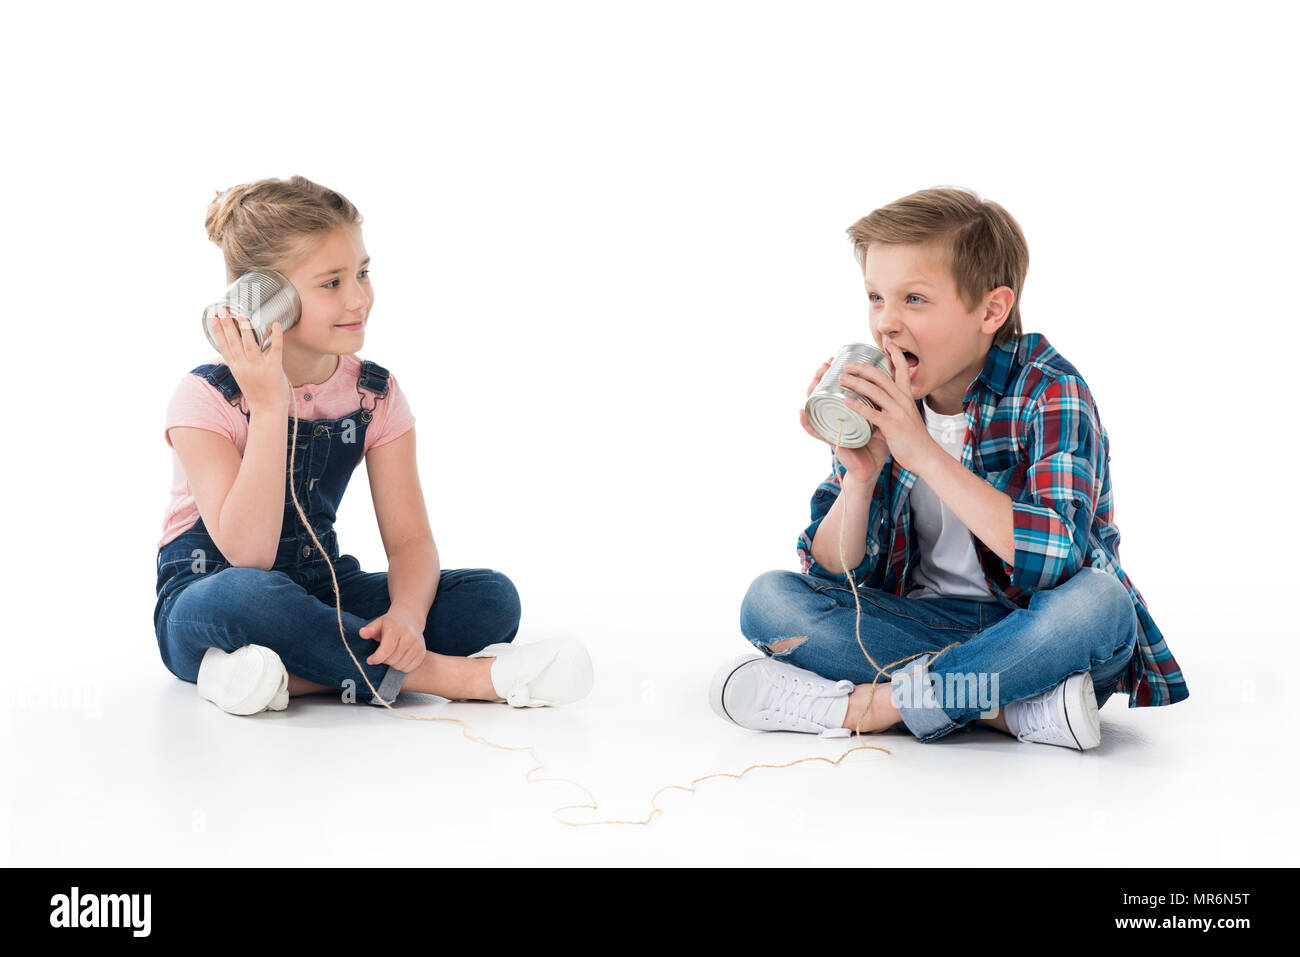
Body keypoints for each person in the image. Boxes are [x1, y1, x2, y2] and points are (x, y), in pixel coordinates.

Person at [710, 186, 1188, 750]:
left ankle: (872, 706)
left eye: (914, 299)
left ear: (991, 310)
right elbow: (834, 578)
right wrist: (859, 480)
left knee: (1100, 605)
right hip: (925, 627)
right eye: (875, 297)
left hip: (1038, 627)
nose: (885, 323)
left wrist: (925, 455)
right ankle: (1010, 708)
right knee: (770, 600)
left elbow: (1060, 557)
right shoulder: (892, 401)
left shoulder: (1051, 389)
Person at [155, 175, 592, 716]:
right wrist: (269, 407)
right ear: (264, 298)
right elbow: (250, 555)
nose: (359, 298)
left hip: (322, 590)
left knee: (489, 598)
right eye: (331, 283)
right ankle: (458, 677)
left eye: (361, 273)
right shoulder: (205, 398)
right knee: (252, 594)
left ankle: (272, 677)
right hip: (209, 599)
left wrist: (407, 615)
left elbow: (410, 541)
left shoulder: (372, 394)